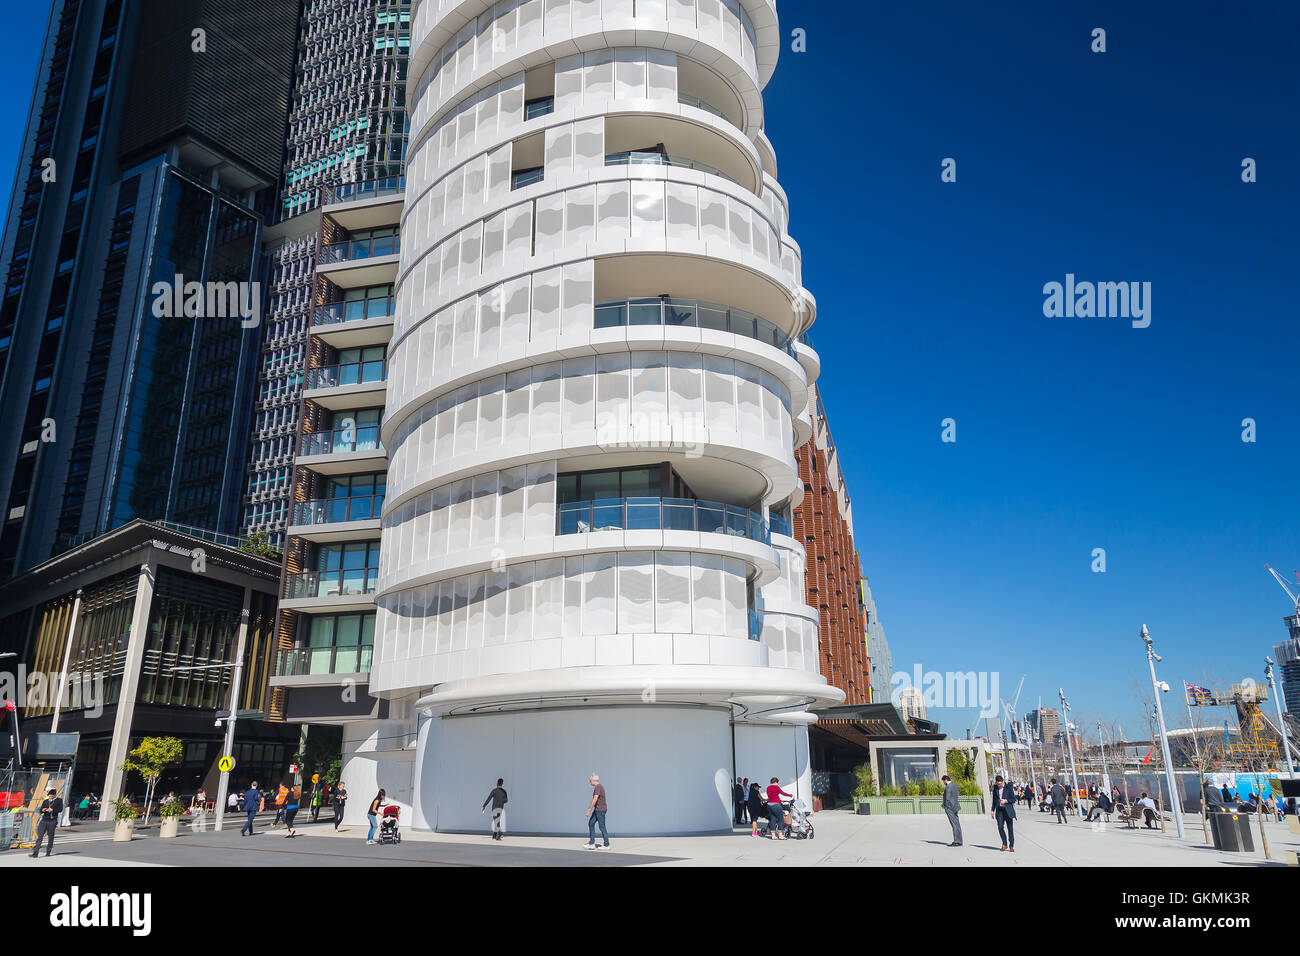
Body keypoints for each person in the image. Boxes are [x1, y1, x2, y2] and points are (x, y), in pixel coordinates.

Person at [30, 788, 63, 858]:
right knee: (40, 837)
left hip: (52, 821)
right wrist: (43, 810)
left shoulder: (59, 800)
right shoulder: (45, 801)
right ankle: (35, 853)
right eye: (49, 796)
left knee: (50, 836)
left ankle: (48, 852)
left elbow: (60, 809)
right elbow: (41, 810)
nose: (50, 797)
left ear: (54, 795)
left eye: (51, 796)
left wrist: (52, 810)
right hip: (44, 820)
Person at [584, 773, 609, 849]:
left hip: (600, 810)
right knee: (591, 823)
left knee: (602, 827)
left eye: (590, 780)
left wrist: (588, 810)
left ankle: (606, 845)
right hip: (597, 810)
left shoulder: (598, 787)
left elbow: (595, 799)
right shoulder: (599, 787)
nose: (589, 782)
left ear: (593, 780)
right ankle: (591, 843)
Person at [991, 775, 1016, 852]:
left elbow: (1013, 799)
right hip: (999, 811)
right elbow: (994, 800)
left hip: (1007, 810)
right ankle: (1004, 844)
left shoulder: (1008, 788)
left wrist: (1006, 801)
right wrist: (992, 810)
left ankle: (1011, 845)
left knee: (1010, 829)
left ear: (1002, 782)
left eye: (1000, 784)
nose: (999, 785)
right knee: (1000, 827)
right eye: (997, 784)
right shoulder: (995, 788)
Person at [765, 777, 792, 841]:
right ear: (776, 782)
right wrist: (790, 795)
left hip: (769, 805)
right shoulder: (776, 787)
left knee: (773, 819)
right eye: (777, 782)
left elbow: (770, 796)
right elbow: (783, 793)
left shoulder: (768, 788)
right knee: (780, 819)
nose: (778, 784)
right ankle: (780, 835)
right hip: (776, 805)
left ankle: (773, 835)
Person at [941, 774, 962, 847]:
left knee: (954, 824)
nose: (943, 783)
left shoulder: (948, 787)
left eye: (943, 781)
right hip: (956, 806)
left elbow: (948, 798)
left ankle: (956, 841)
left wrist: (946, 807)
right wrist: (945, 793)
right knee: (957, 824)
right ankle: (960, 841)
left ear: (945, 780)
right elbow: (953, 795)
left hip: (950, 807)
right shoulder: (954, 785)